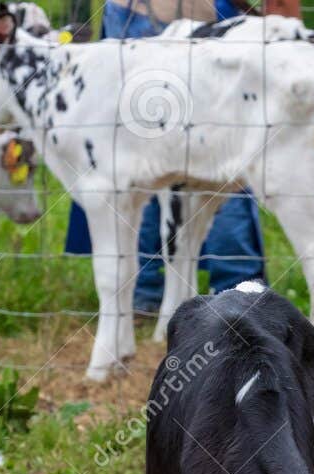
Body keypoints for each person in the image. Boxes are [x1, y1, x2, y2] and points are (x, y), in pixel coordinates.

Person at [61, 0, 268, 313]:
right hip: (194, 12)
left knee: (137, 155)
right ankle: (237, 293)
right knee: (216, 150)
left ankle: (145, 293)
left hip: (133, 11)